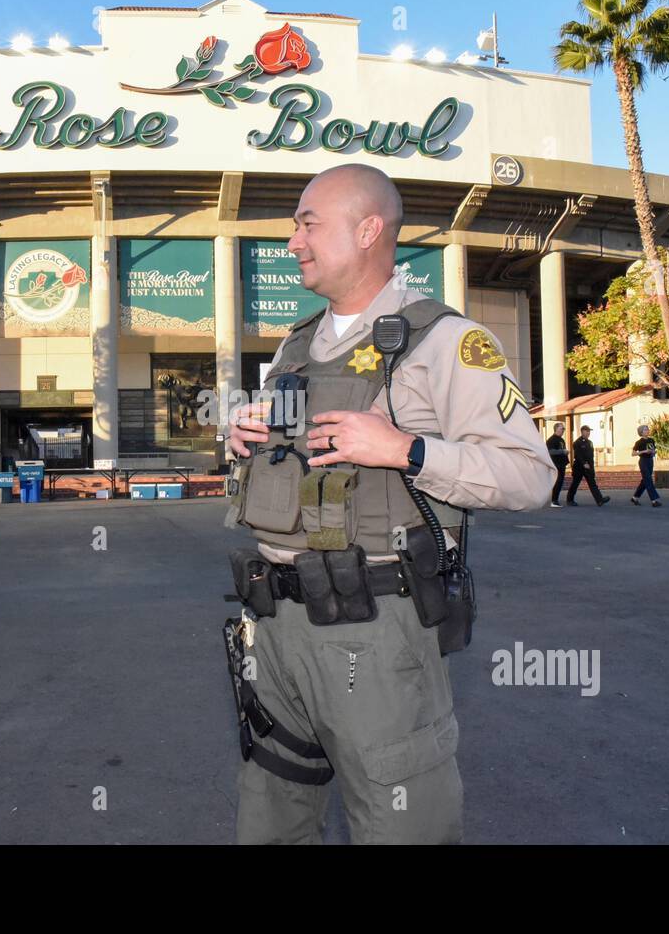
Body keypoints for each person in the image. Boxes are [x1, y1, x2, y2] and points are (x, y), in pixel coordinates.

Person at [224, 164, 555, 844]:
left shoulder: (445, 341)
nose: (293, 241)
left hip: (374, 630)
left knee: (403, 821)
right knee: (271, 815)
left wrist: (407, 450)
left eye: (308, 223)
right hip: (274, 626)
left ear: (369, 229)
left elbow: (530, 477)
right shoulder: (294, 345)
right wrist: (241, 441)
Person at [566, 425, 610, 506]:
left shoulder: (590, 443)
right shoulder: (577, 443)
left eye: (589, 431)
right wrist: (584, 463)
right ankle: (570, 500)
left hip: (588, 467)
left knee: (592, 483)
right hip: (579, 467)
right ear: (582, 431)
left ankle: (599, 500)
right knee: (575, 483)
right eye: (587, 431)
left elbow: (591, 456)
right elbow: (578, 455)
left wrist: (592, 468)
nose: (588, 433)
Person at [630, 424, 662, 506]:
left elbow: (654, 450)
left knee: (645, 481)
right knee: (648, 480)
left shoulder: (651, 440)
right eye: (645, 429)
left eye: (647, 429)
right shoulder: (639, 442)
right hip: (643, 461)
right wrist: (644, 451)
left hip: (650, 461)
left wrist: (654, 452)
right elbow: (633, 453)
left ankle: (635, 498)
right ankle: (654, 500)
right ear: (641, 432)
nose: (647, 430)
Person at [546, 422, 569, 508]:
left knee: (560, 482)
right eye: (561, 429)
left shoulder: (561, 440)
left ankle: (555, 500)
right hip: (556, 464)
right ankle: (554, 501)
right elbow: (550, 451)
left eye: (563, 429)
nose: (563, 430)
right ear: (556, 429)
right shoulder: (551, 440)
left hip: (562, 464)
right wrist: (562, 451)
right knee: (557, 482)